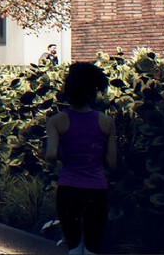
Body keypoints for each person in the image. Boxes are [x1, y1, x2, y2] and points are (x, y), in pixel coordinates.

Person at [45, 61, 118, 255]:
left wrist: (58, 159)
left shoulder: (57, 121)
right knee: (93, 247)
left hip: (69, 189)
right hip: (96, 190)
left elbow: (51, 155)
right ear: (93, 92)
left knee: (74, 246)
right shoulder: (106, 122)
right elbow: (112, 163)